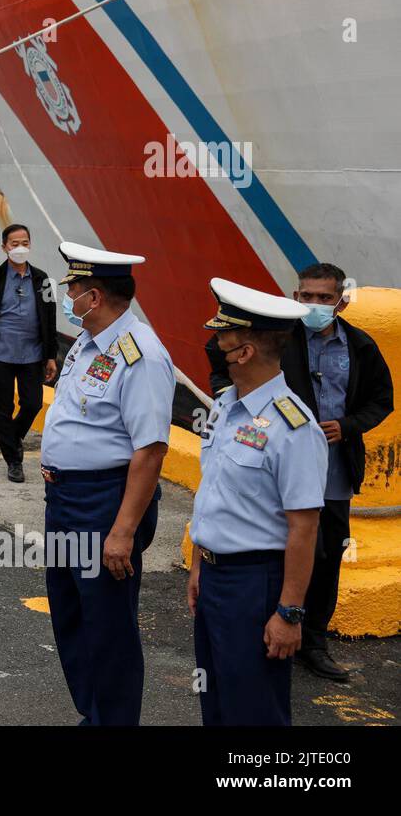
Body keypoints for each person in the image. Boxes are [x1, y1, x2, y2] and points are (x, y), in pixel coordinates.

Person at [38, 242, 175, 726]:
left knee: (108, 625)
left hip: (103, 503)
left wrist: (122, 531)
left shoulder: (141, 356)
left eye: (72, 289)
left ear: (93, 297)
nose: (67, 297)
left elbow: (151, 450)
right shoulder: (88, 342)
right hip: (66, 498)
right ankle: (93, 713)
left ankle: (114, 720)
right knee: (72, 615)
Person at [191, 278, 328, 726]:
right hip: (214, 578)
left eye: (222, 339)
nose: (214, 345)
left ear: (245, 351)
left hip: (255, 584)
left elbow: (304, 527)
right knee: (215, 704)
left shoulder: (294, 427)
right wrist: (198, 564)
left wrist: (289, 613)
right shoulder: (225, 406)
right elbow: (215, 494)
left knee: (255, 711)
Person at [284, 263, 393, 681]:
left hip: (333, 474)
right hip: (283, 472)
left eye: (323, 298)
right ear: (296, 298)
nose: (313, 305)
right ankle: (272, 629)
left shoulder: (361, 346)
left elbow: (382, 400)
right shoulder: (278, 337)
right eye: (306, 296)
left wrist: (346, 426)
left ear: (341, 301)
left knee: (327, 559)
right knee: (277, 550)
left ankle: (313, 643)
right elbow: (225, 365)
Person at [0, 223, 58, 483]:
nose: (20, 248)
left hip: (32, 355)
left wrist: (51, 355)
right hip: (0, 355)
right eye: (14, 244)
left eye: (24, 243)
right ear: (4, 247)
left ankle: (13, 438)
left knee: (32, 403)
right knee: (2, 408)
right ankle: (13, 461)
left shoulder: (43, 280)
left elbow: (50, 319)